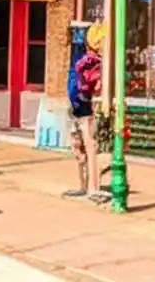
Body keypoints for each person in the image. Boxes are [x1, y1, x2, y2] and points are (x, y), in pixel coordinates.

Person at [65, 24, 104, 202]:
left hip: (84, 107)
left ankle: (91, 186)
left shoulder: (90, 63)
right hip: (80, 106)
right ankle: (87, 185)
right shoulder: (87, 63)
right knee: (80, 145)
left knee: (88, 144)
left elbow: (94, 86)